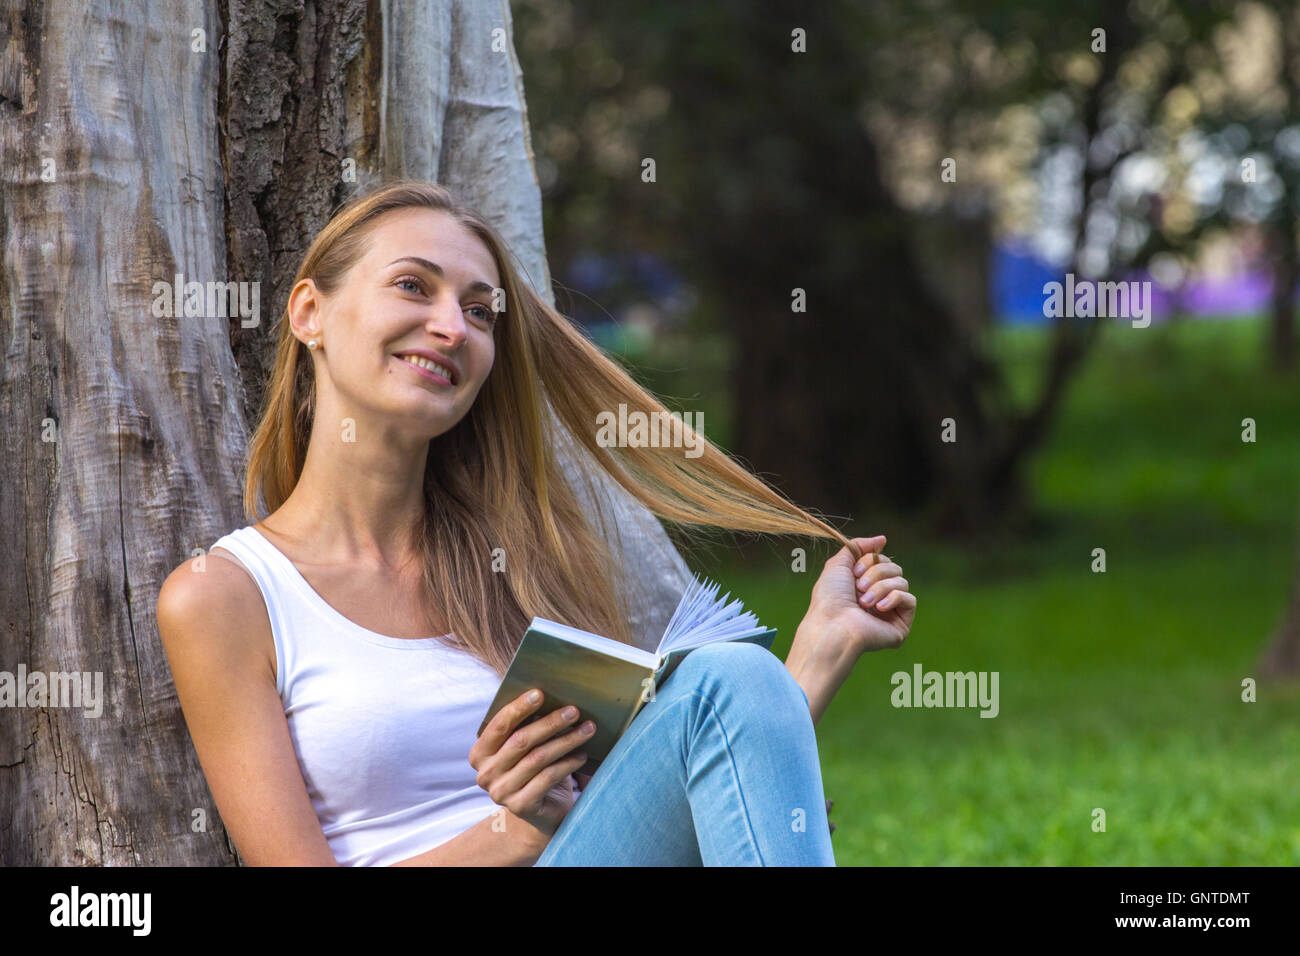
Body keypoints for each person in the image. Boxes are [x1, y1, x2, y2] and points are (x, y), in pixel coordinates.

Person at [155, 180, 916, 866]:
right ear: (309, 312)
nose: (452, 326)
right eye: (414, 286)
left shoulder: (517, 563)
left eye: (480, 310)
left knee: (734, 673)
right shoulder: (224, 596)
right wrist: (515, 832)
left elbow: (651, 790)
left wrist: (819, 654)